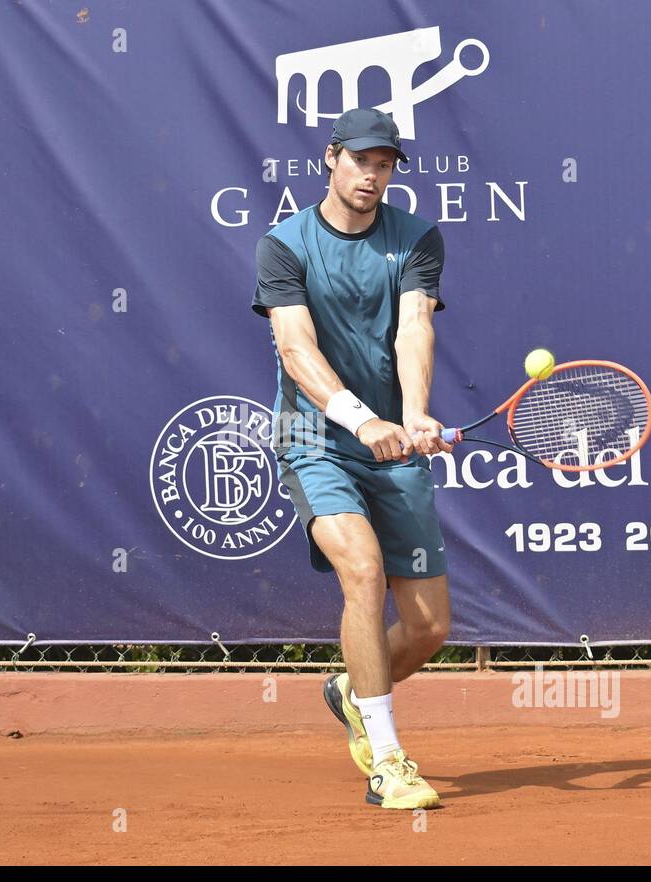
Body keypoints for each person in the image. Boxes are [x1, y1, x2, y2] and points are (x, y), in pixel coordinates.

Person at [251, 107, 453, 810]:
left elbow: (413, 328)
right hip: (315, 438)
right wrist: (363, 420)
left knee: (429, 627)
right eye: (361, 160)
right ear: (331, 159)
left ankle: (351, 690)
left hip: (392, 440)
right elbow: (296, 349)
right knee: (362, 572)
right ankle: (388, 758)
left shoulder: (416, 239)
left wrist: (415, 411)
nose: (372, 174)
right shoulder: (284, 244)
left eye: (385, 163)